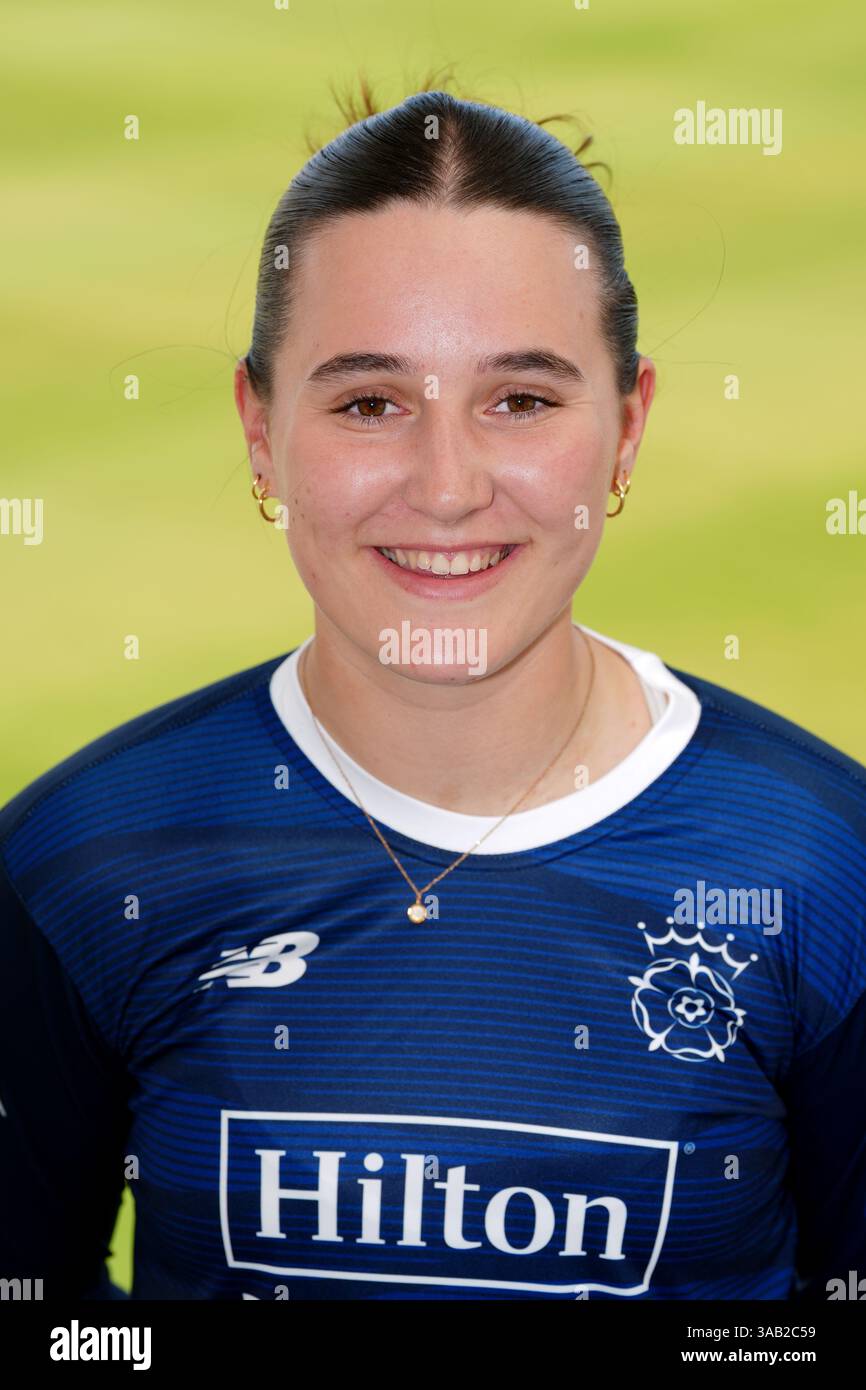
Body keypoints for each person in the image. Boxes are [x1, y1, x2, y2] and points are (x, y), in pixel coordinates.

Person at [1, 83, 865, 1302]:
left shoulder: (828, 873)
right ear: (259, 429)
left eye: (520, 399)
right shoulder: (79, 863)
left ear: (626, 426)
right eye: (368, 402)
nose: (447, 485)